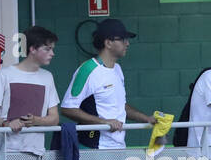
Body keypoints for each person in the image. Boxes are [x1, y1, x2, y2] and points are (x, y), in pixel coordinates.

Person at [59, 19, 153, 149]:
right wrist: (103, 122)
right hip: (94, 148)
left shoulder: (118, 69)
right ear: (108, 43)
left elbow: (120, 106)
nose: (127, 44)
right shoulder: (88, 69)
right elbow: (67, 108)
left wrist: (146, 119)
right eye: (123, 40)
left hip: (118, 147)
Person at [0, 25, 60, 160]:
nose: (52, 53)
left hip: (35, 150)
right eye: (47, 49)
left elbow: (54, 118)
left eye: (52, 49)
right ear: (32, 49)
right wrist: (6, 124)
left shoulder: (47, 77)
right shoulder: (4, 75)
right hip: (5, 150)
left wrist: (35, 120)